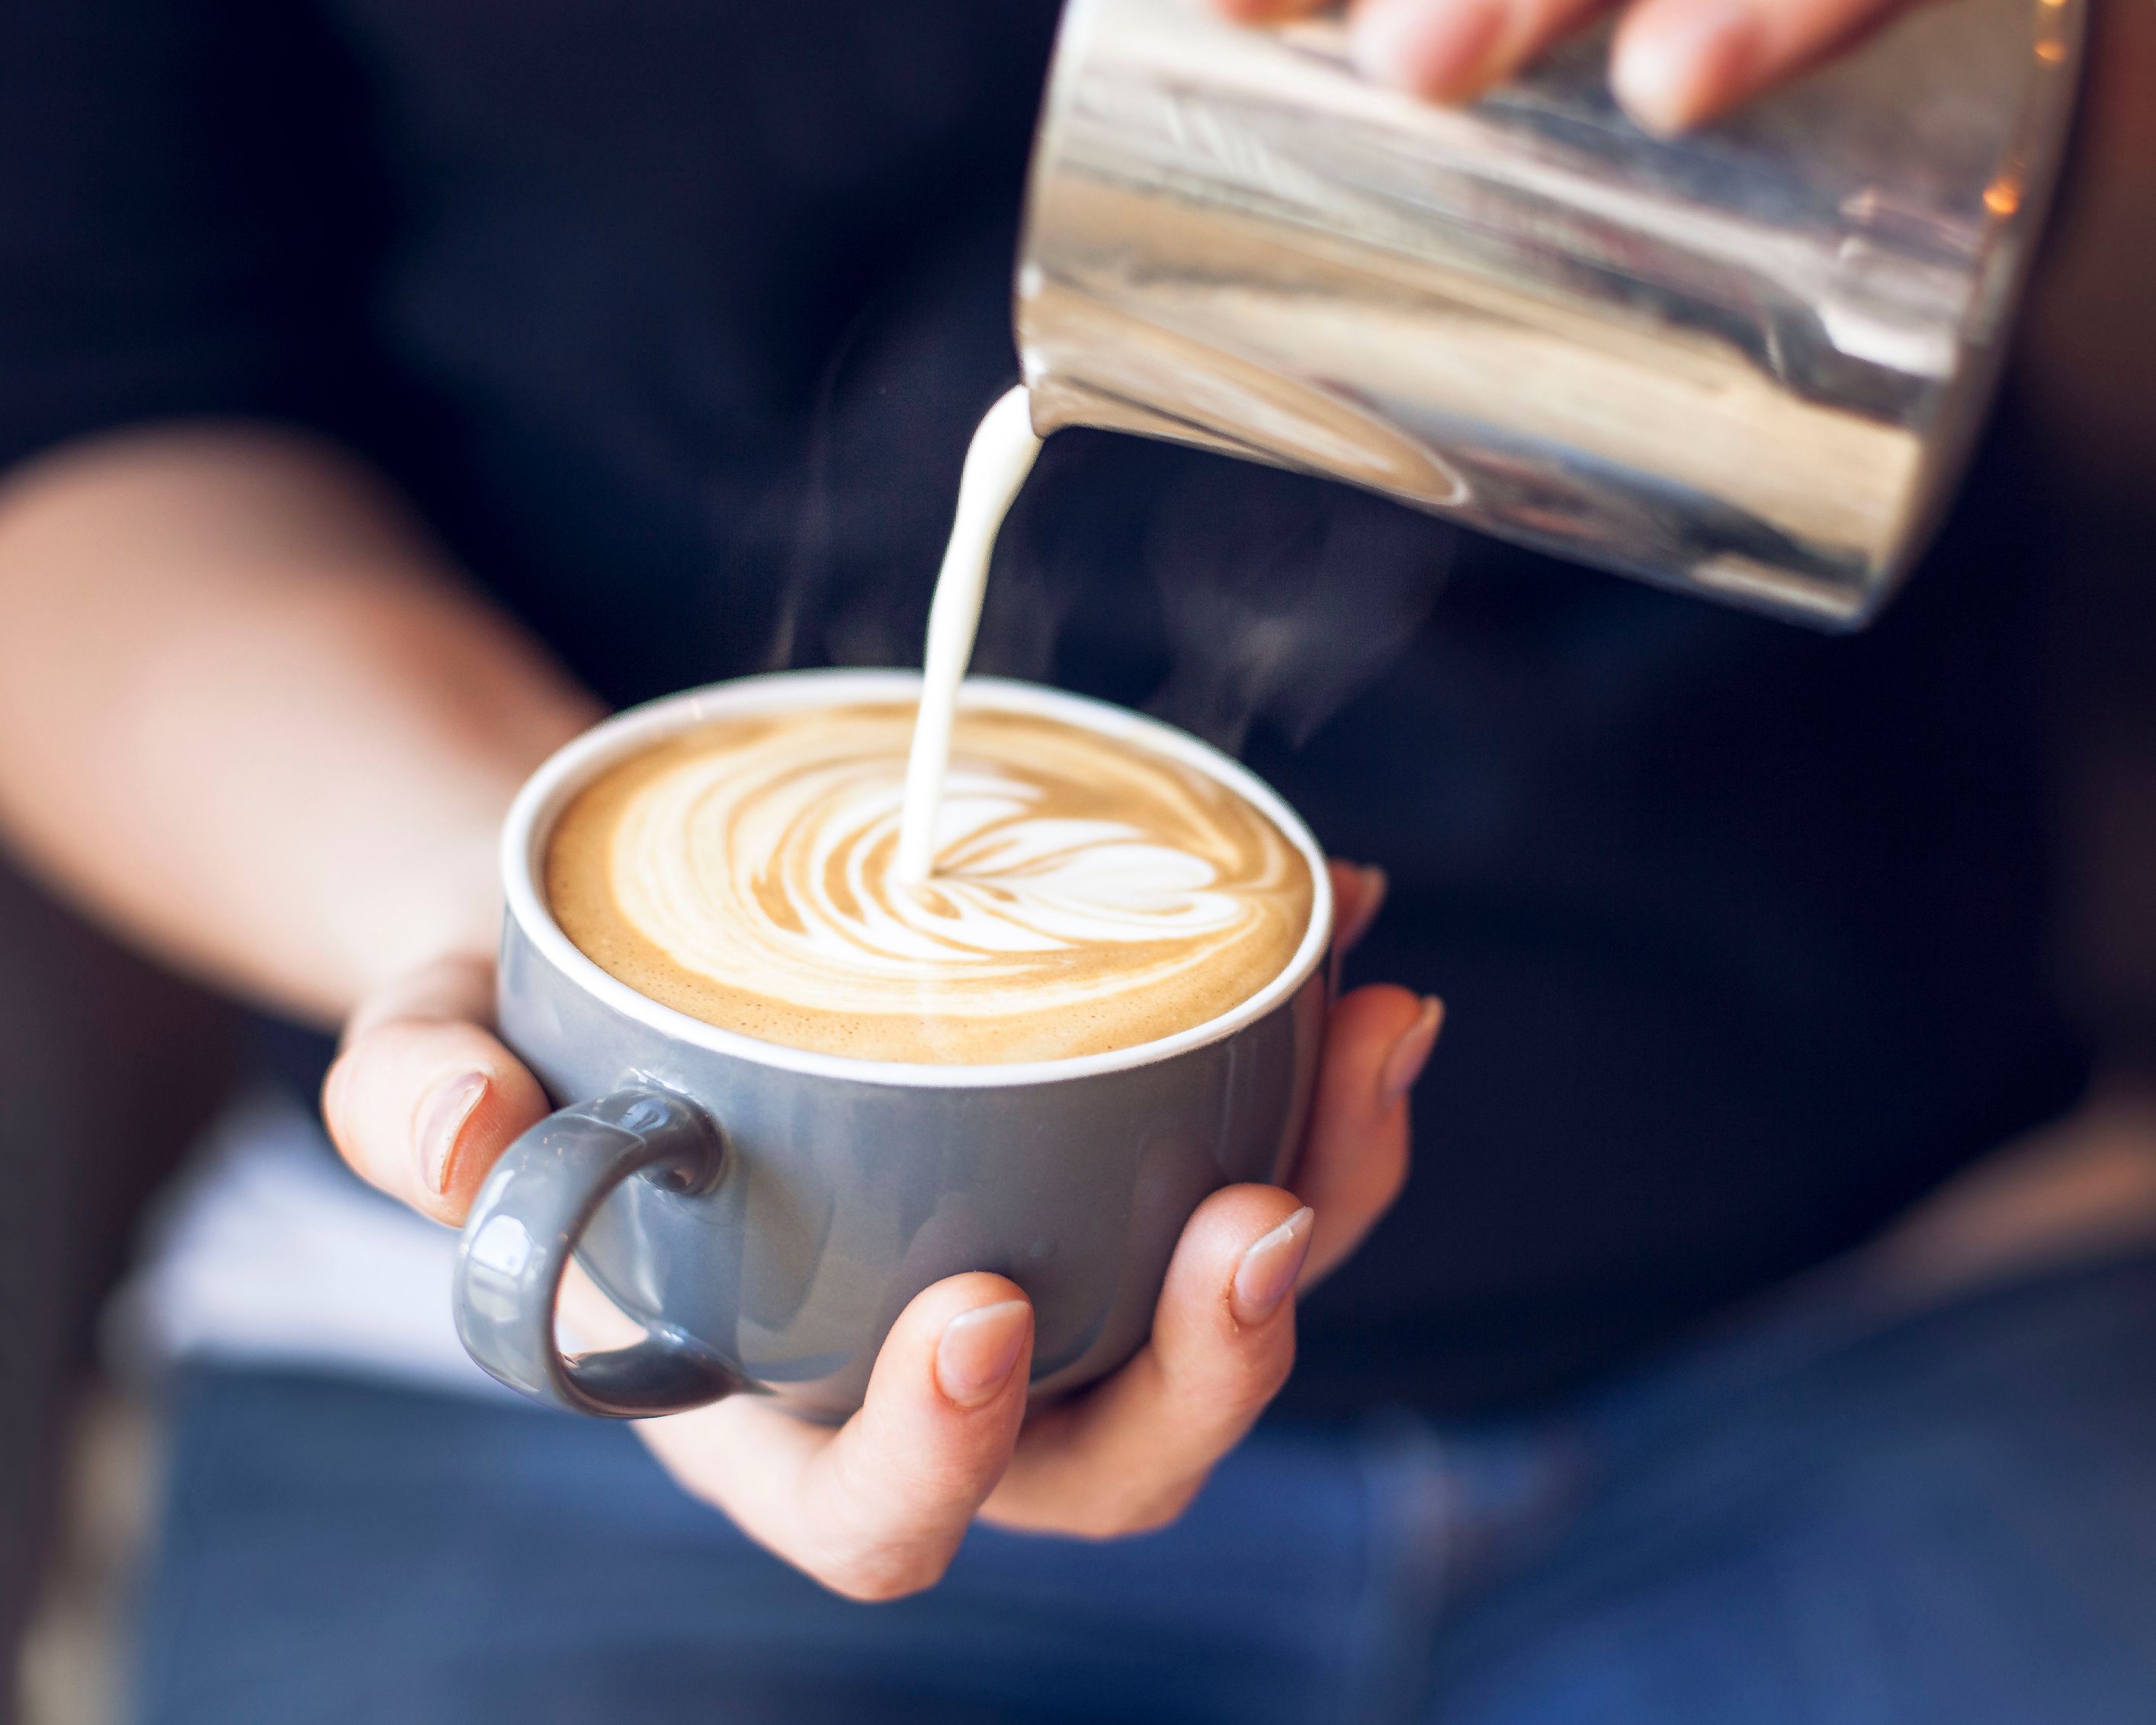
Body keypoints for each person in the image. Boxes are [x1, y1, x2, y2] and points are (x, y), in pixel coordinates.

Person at [0, 0, 2149, 1720]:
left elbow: (1995, 172)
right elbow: (77, 402)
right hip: (505, 1356)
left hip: (1872, 1256)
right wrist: (509, 954)